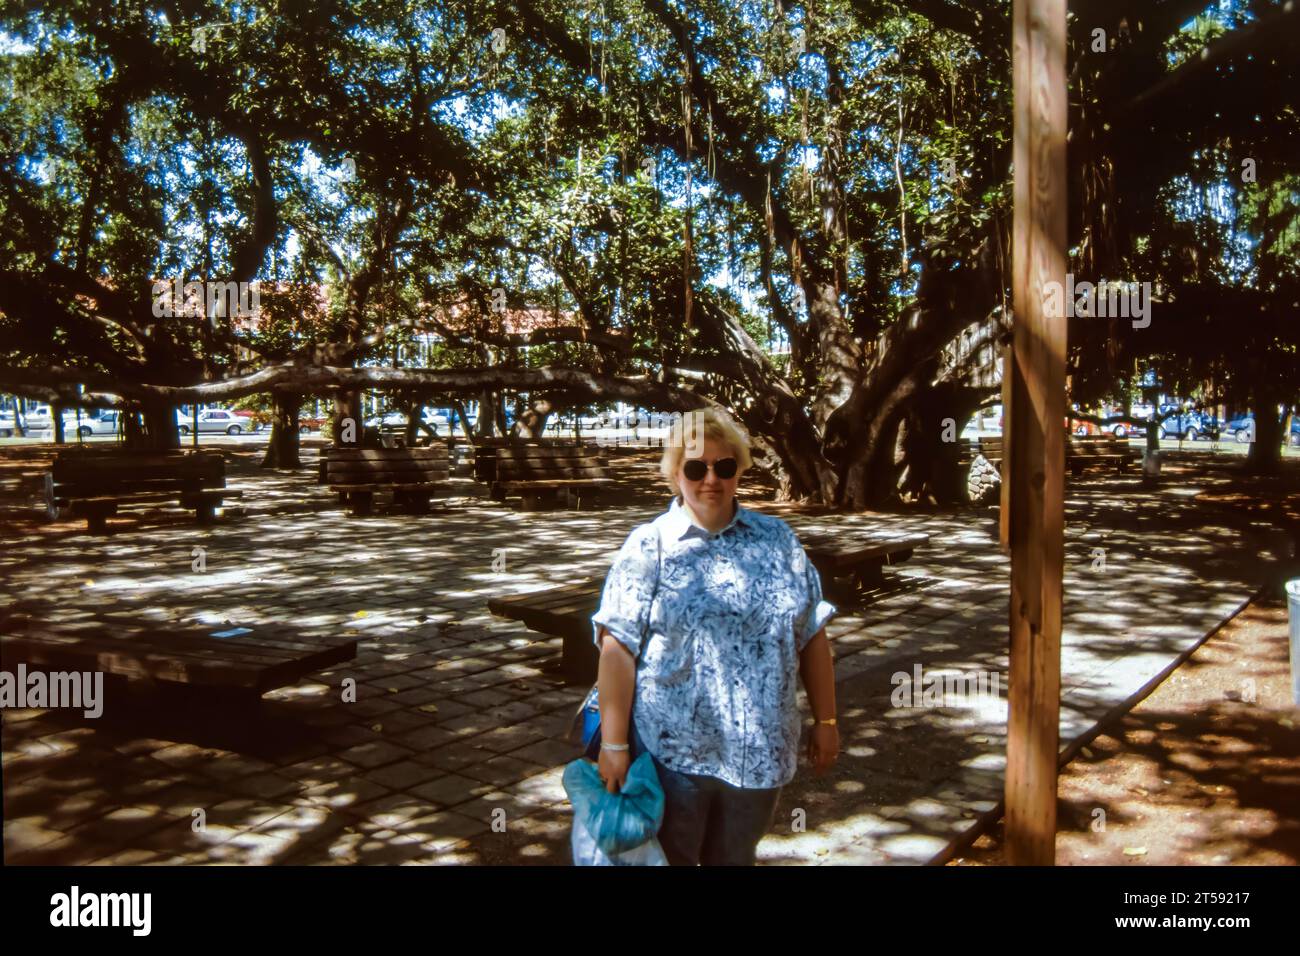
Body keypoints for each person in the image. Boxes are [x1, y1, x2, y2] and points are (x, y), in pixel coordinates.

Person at [590, 407, 839, 866]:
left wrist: (827, 721)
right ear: (674, 474)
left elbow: (812, 633)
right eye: (695, 467)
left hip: (762, 751)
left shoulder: (777, 539)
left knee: (736, 858)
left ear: (739, 471)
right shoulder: (650, 545)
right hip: (675, 755)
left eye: (724, 466)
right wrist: (614, 745)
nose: (711, 479)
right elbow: (617, 648)